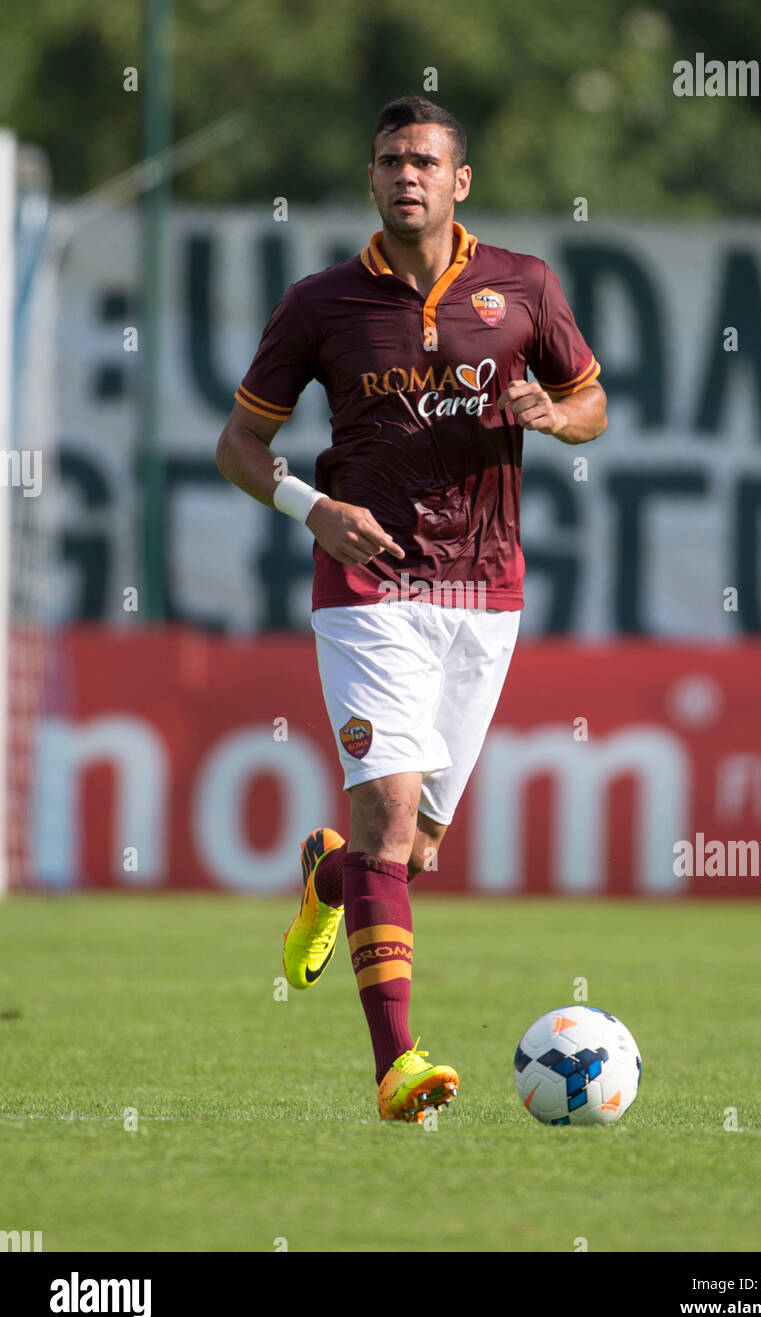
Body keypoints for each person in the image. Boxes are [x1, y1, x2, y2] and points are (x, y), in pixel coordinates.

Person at [216, 96, 606, 1122]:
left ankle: (325, 879)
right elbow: (238, 446)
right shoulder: (320, 303)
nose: (406, 176)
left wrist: (552, 414)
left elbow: (593, 406)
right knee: (389, 822)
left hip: (485, 592)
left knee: (413, 852)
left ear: (459, 180)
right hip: (368, 587)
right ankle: (396, 1066)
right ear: (373, 177)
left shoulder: (523, 285)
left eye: (425, 161)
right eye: (390, 160)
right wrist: (314, 507)